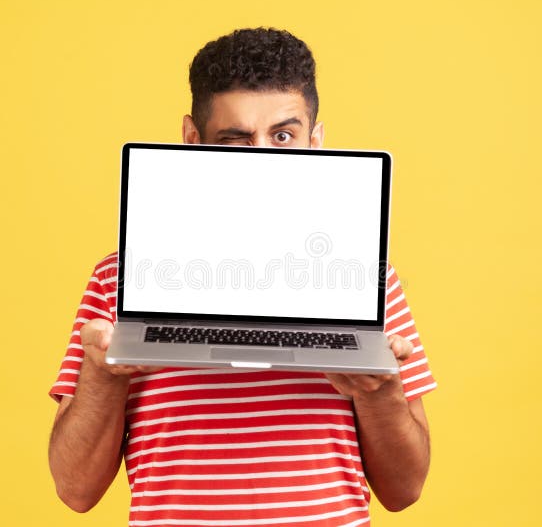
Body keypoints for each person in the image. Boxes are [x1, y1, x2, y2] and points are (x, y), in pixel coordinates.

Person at [48, 27, 437, 526]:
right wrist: (102, 376)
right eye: (234, 140)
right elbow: (75, 491)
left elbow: (404, 491)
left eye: (282, 136)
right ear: (192, 140)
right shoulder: (118, 280)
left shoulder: (369, 281)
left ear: (315, 141)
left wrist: (380, 391)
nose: (262, 160)